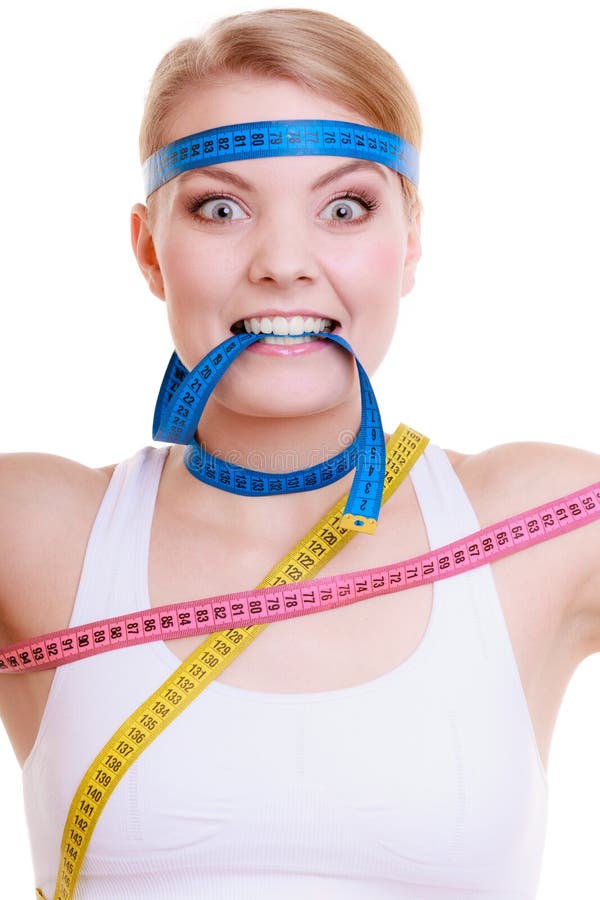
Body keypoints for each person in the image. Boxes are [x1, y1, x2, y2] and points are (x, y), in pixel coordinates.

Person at [1, 7, 599, 899]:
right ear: (149, 251)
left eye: (346, 207)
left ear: (411, 245)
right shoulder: (32, 531)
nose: (284, 263)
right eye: (221, 207)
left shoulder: (543, 527)